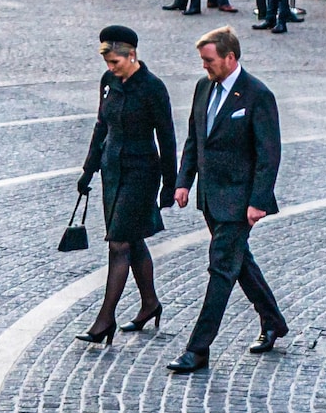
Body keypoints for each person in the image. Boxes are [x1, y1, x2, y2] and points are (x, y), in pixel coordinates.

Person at [168, 26, 286, 373]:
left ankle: (198, 349)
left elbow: (269, 154)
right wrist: (184, 182)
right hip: (210, 196)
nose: (204, 66)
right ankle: (273, 320)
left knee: (221, 268)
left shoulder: (257, 95)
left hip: (239, 200)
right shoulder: (203, 87)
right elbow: (195, 138)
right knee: (239, 262)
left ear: (230, 57)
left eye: (209, 60)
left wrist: (258, 200)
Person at [74, 24, 176, 342]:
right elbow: (101, 125)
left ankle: (105, 320)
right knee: (131, 239)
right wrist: (89, 169)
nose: (110, 68)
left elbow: (167, 137)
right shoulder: (108, 82)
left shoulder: (153, 88)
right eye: (107, 63)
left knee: (119, 243)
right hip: (113, 170)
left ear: (132, 55)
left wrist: (170, 184)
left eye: (115, 62)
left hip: (141, 171)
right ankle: (150, 303)